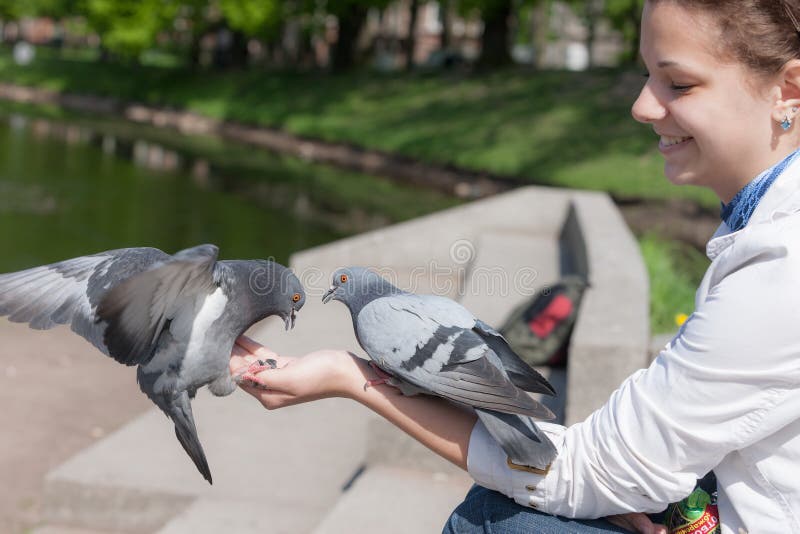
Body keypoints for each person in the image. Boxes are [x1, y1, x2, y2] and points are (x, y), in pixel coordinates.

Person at [230, 1, 800, 532]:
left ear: (788, 90)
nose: (642, 106)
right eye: (647, 76)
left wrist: (348, 376)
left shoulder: (779, 265)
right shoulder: (755, 223)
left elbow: (579, 474)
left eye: (677, 83)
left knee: (488, 521)